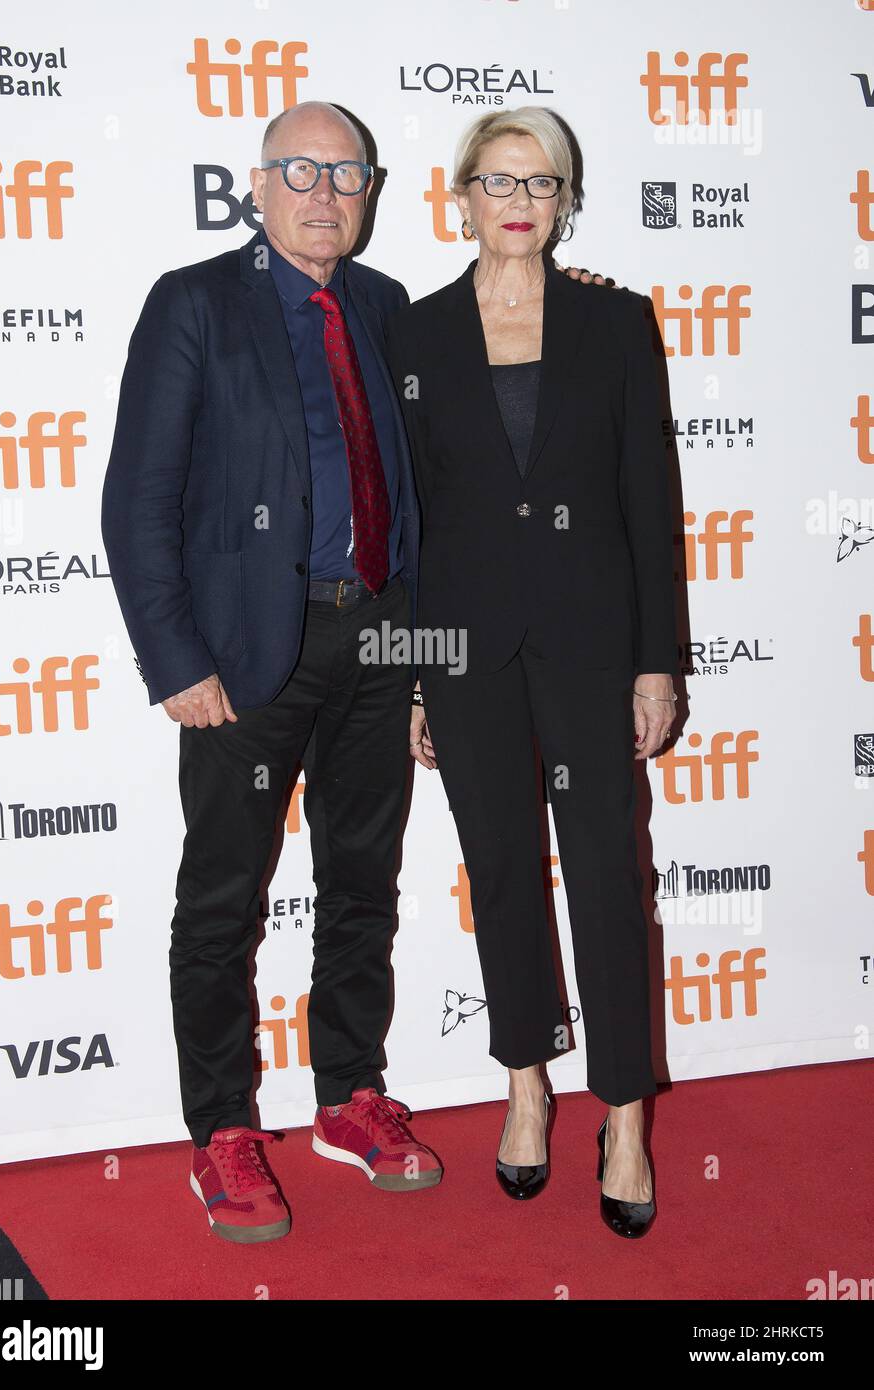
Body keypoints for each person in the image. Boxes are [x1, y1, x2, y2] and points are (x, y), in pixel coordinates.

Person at [101, 101, 443, 1243]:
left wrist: (424, 664)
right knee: (222, 898)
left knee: (362, 882)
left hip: (379, 640)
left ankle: (349, 1094)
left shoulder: (389, 309)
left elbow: (430, 492)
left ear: (370, 190)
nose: (323, 190)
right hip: (246, 657)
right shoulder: (194, 302)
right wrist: (175, 658)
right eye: (300, 168)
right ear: (257, 183)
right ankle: (222, 1129)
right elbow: (138, 498)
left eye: (346, 173)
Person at [386, 106, 680, 1238]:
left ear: (564, 202)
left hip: (589, 636)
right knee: (501, 864)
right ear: (458, 196)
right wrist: (415, 672)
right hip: (462, 650)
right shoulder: (412, 335)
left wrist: (654, 663)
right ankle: (524, 1086)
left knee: (606, 868)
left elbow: (648, 503)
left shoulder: (616, 322)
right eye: (497, 181)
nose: (518, 200)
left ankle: (624, 1115)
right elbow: (404, 525)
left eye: (541, 182)